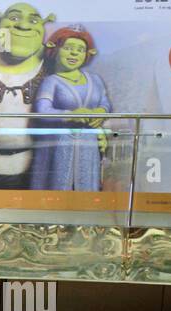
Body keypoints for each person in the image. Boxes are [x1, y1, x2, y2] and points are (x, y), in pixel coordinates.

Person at [29, 26, 111, 192]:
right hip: (59, 145)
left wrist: (100, 113)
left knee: (88, 189)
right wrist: (72, 115)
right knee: (56, 189)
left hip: (88, 146)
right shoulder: (51, 81)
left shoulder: (95, 80)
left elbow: (105, 103)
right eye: (68, 48)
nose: (74, 54)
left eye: (80, 50)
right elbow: (42, 110)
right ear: (56, 51)